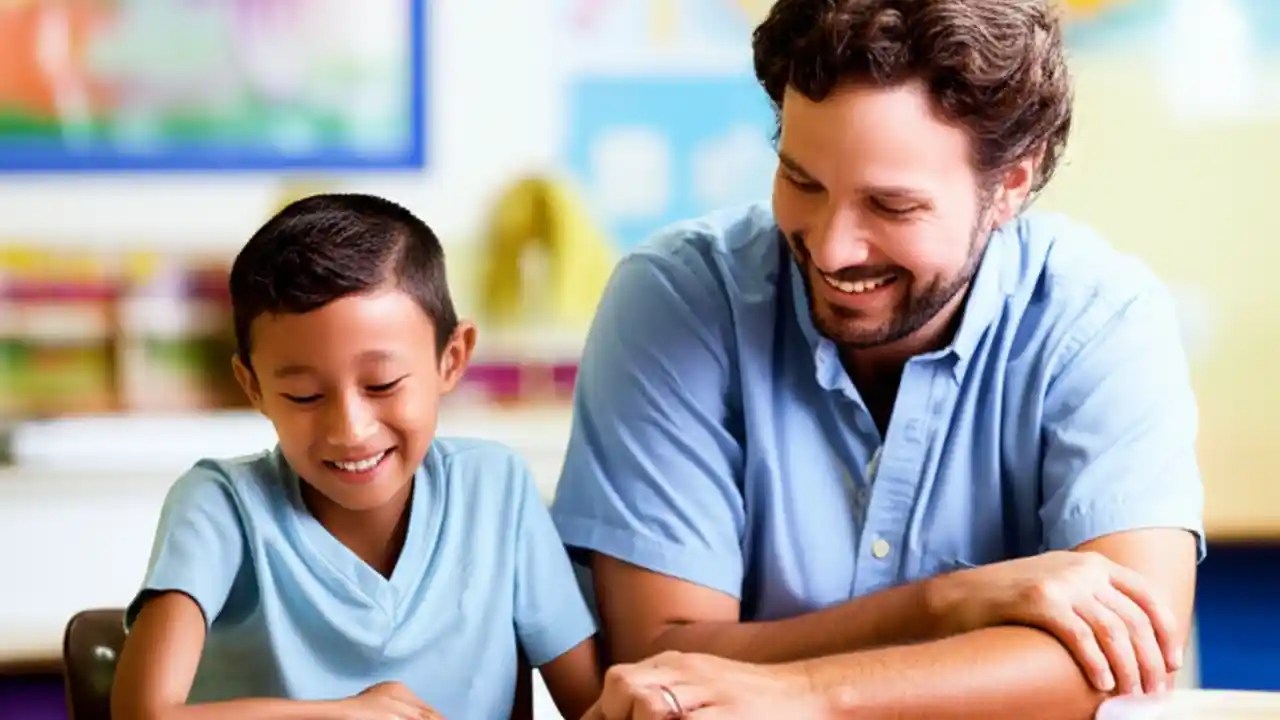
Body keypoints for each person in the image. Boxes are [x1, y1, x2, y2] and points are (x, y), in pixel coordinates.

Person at [552, 0, 1203, 717]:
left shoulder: (1099, 320)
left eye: (891, 207)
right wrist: (947, 604)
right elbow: (657, 658)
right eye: (802, 182)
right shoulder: (678, 299)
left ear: (1012, 182)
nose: (832, 249)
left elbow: (1128, 665)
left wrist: (801, 694)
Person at [112, 194, 602, 720]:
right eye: (304, 396)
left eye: (382, 384)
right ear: (252, 387)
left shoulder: (495, 489)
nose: (350, 430)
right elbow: (144, 714)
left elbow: (591, 706)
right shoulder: (220, 505)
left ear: (451, 359)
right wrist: (341, 713)